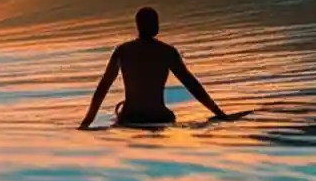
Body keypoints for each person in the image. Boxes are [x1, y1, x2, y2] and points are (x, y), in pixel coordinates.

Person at [79, 7, 227, 128]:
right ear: (154, 25)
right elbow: (191, 84)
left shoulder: (123, 51)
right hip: (159, 116)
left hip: (131, 117)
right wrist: (219, 113)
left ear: (138, 26)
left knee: (120, 115)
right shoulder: (167, 51)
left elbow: (103, 87)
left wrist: (87, 121)